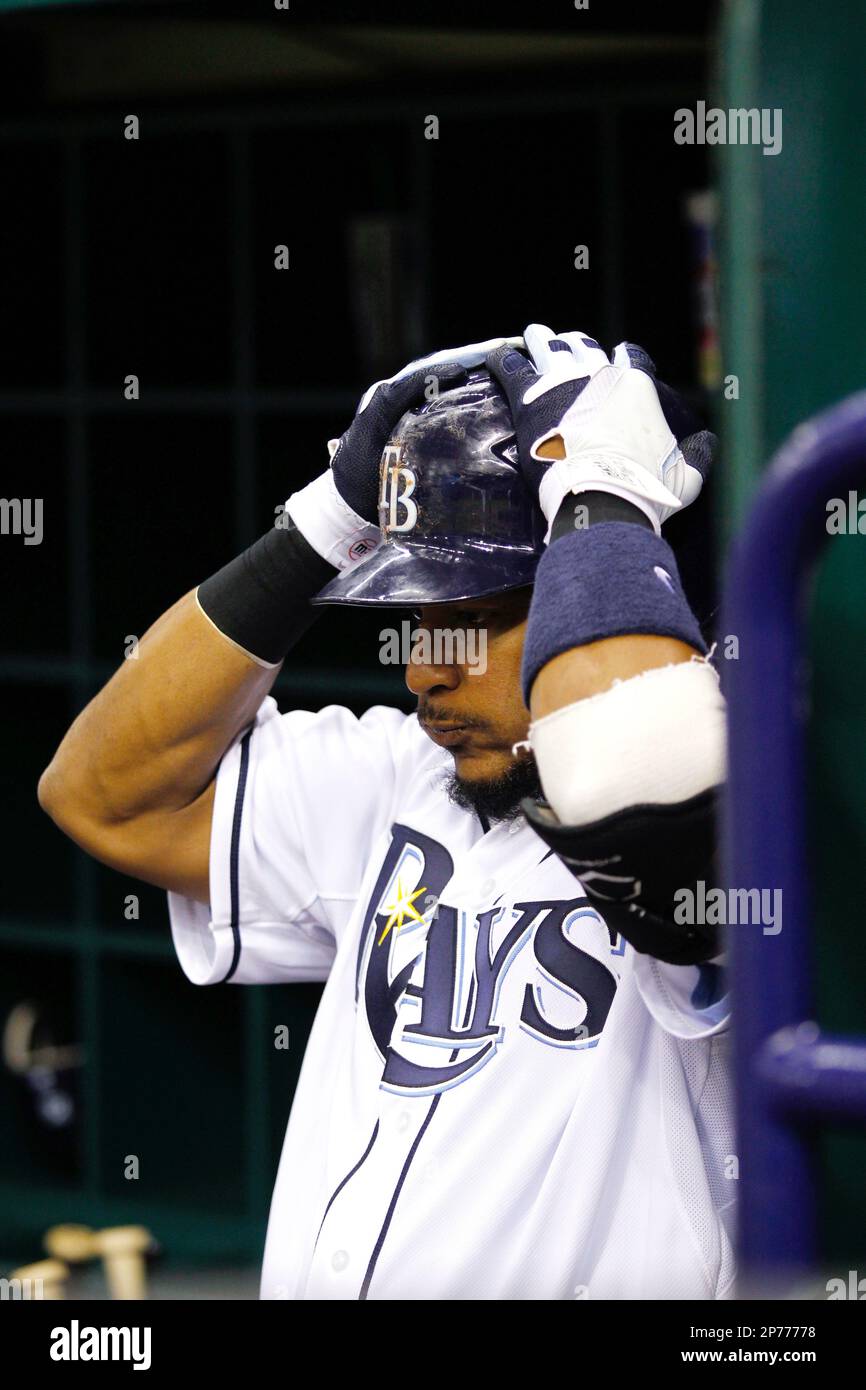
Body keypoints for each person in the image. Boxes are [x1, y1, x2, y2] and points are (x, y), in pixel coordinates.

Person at [39, 324, 731, 1300]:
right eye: (419, 621)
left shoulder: (746, 810)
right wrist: (323, 522)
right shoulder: (393, 773)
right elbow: (102, 793)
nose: (421, 670)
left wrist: (604, 499)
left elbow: (640, 777)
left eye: (478, 618)